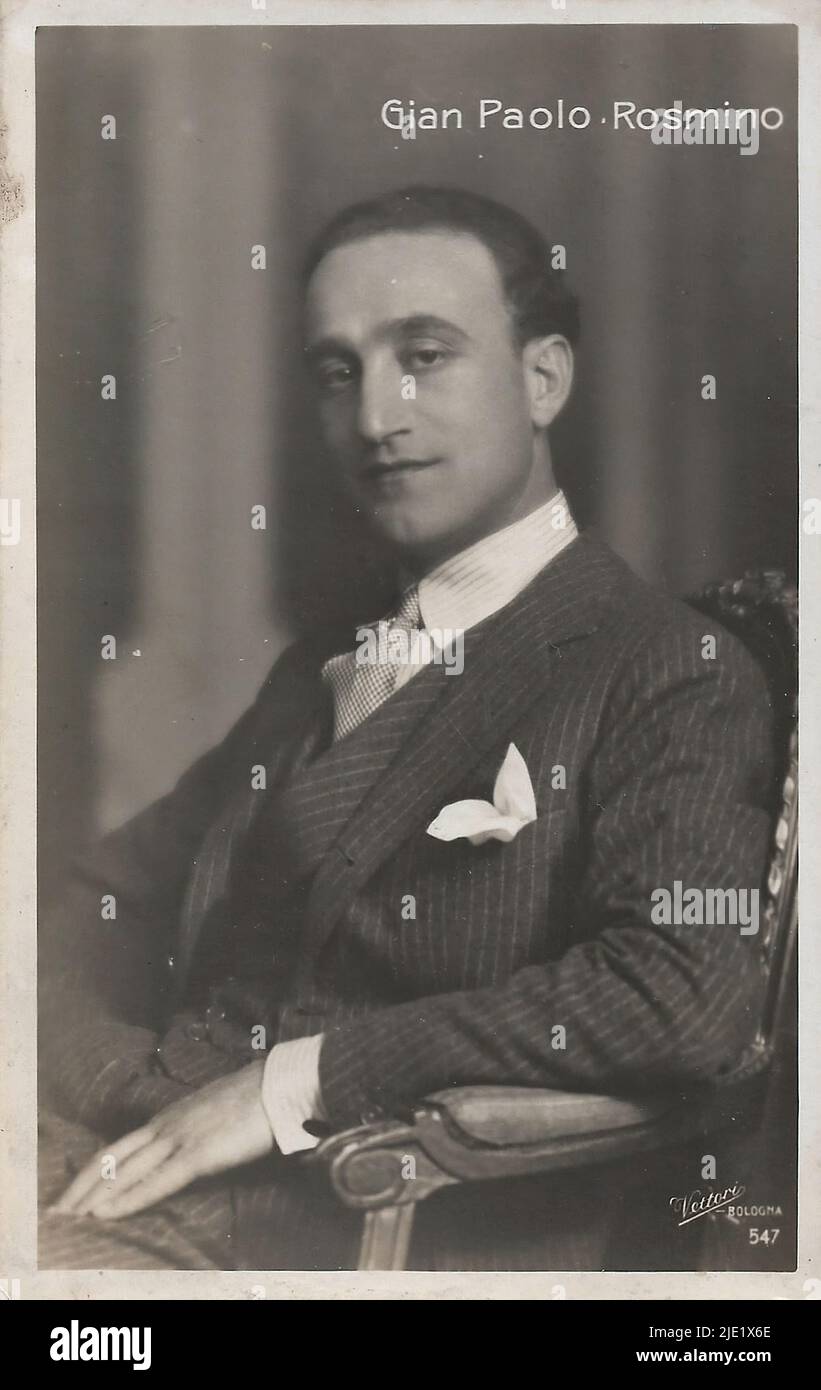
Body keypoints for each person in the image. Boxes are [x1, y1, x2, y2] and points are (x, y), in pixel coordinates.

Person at [39, 185, 774, 1270]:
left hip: (365, 1234)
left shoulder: (667, 667)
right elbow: (93, 901)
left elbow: (680, 992)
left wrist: (293, 1082)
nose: (376, 415)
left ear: (543, 378)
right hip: (127, 1164)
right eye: (338, 372)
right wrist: (113, 1076)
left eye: (422, 355)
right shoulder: (321, 667)